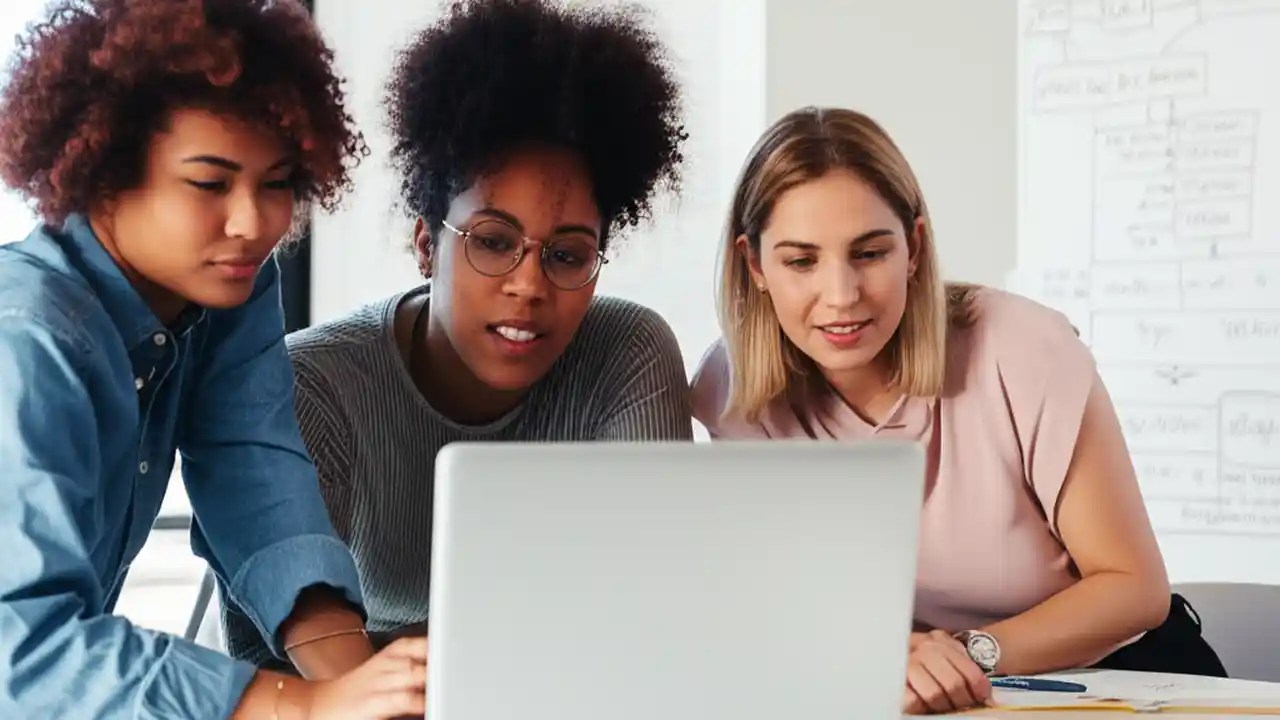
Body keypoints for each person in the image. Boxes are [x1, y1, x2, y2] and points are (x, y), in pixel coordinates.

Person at [692, 107, 1224, 715]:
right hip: (916, 693)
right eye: (801, 261)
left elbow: (1134, 590)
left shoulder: (1023, 350)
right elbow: (781, 598)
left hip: (1124, 680)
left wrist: (966, 653)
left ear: (913, 248)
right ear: (754, 264)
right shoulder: (731, 391)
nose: (841, 296)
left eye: (869, 253)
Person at [222, 0, 691, 669]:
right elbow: (264, 664)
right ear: (425, 244)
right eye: (494, 242)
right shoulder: (316, 384)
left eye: (566, 255)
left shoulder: (628, 354)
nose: (529, 285)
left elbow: (655, 610)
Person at [0, 1, 427, 718]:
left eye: (278, 181)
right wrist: (310, 709)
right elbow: (25, 651)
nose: (253, 223)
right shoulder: (28, 341)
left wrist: (369, 692)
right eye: (209, 183)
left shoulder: (228, 282)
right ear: (105, 170)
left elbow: (251, 466)